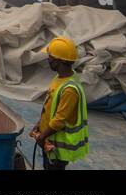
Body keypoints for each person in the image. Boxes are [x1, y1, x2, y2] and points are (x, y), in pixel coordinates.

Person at [29, 36, 89, 170]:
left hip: (58, 148)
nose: (48, 59)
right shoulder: (60, 78)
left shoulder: (69, 90)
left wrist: (42, 137)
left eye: (50, 57)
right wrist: (40, 124)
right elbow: (51, 106)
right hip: (49, 139)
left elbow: (60, 120)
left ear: (59, 61)